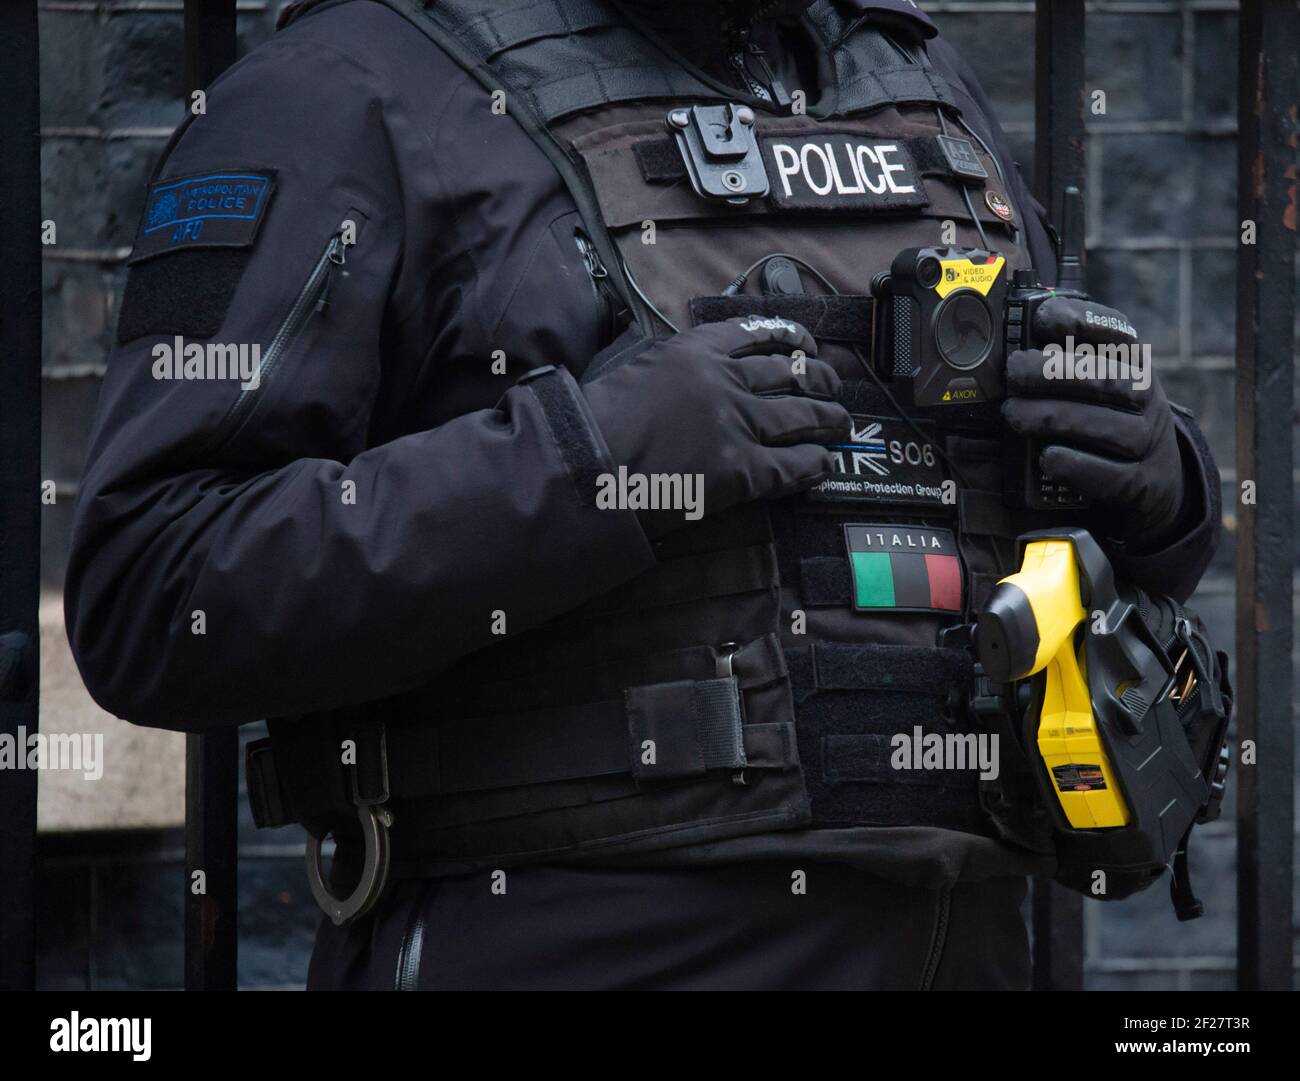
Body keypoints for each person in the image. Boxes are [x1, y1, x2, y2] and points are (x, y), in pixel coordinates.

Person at [65, 0, 1220, 990]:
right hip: (580, 944)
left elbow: (1005, 526)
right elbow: (155, 587)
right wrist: (597, 461)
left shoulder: (908, 81)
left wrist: (1156, 485)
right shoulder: (352, 88)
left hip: (966, 944)